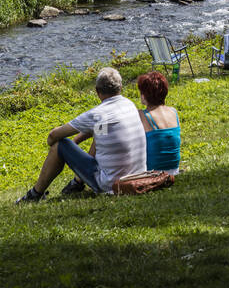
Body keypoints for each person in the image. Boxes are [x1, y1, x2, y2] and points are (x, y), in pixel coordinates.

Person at [17, 67, 148, 202]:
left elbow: (53, 136)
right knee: (101, 134)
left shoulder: (97, 114)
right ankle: (77, 183)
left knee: (59, 145)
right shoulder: (129, 105)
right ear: (120, 88)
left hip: (109, 184)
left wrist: (62, 147)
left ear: (97, 91)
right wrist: (76, 142)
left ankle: (34, 194)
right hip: (137, 177)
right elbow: (100, 129)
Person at [136, 71, 180, 180]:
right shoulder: (173, 112)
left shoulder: (142, 115)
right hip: (174, 170)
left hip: (153, 173)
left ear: (144, 95)